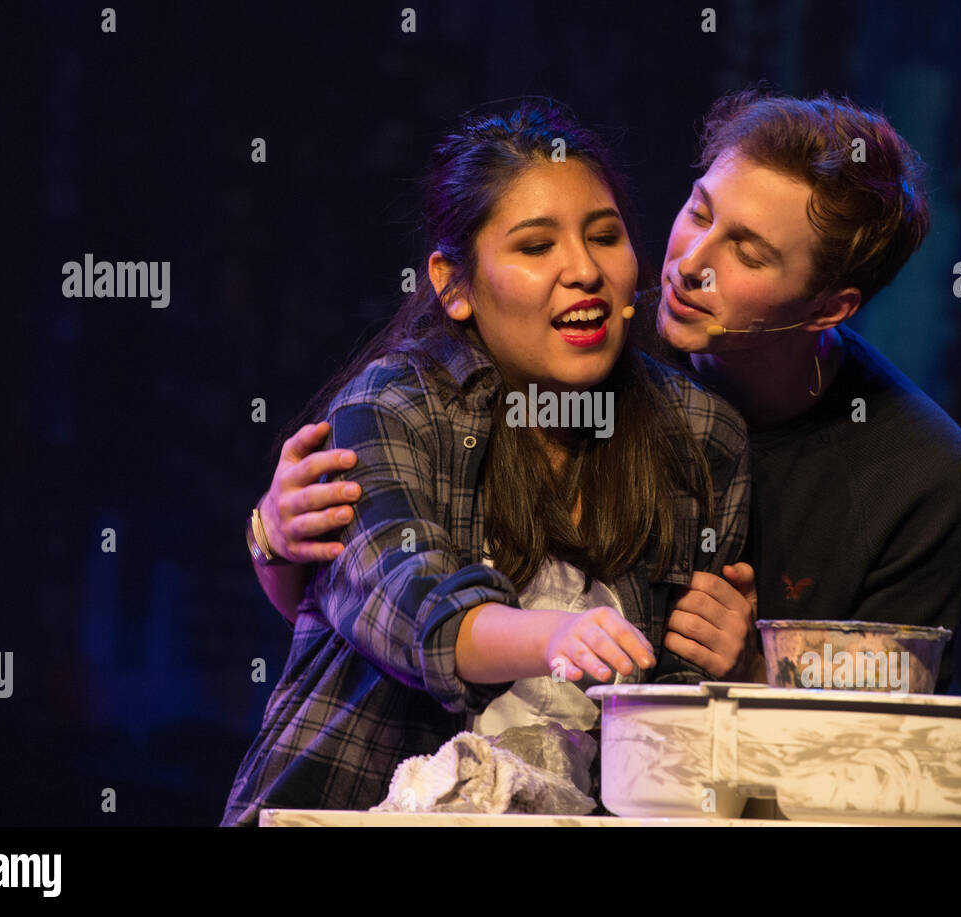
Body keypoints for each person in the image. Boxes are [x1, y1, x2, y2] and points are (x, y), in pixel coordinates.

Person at [248, 90, 961, 695]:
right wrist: (278, 543)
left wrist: (759, 669)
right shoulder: (584, 331)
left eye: (748, 252)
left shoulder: (917, 477)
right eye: (699, 212)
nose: (689, 264)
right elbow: (372, 612)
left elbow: (894, 714)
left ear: (828, 307)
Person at [223, 102, 751, 825]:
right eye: (536, 247)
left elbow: (677, 746)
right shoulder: (394, 406)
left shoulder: (701, 434)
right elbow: (412, 611)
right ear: (455, 284)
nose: (585, 270)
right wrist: (555, 636)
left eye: (606, 235)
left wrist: (728, 665)